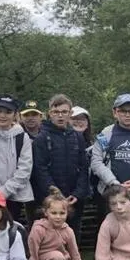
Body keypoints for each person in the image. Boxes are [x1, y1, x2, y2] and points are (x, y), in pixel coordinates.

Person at [32, 94, 90, 236]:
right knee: (50, 235)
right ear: (49, 114)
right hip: (50, 197)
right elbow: (40, 169)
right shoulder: (41, 138)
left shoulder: (77, 137)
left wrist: (78, 193)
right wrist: (55, 194)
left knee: (72, 234)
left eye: (64, 112)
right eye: (56, 112)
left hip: (73, 197)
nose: (60, 116)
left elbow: (84, 167)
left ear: (70, 114)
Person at [27, 187, 88, 260]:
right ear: (46, 213)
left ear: (67, 213)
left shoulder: (68, 231)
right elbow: (32, 255)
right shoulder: (38, 230)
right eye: (54, 213)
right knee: (57, 256)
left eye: (62, 213)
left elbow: (75, 255)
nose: (58, 217)